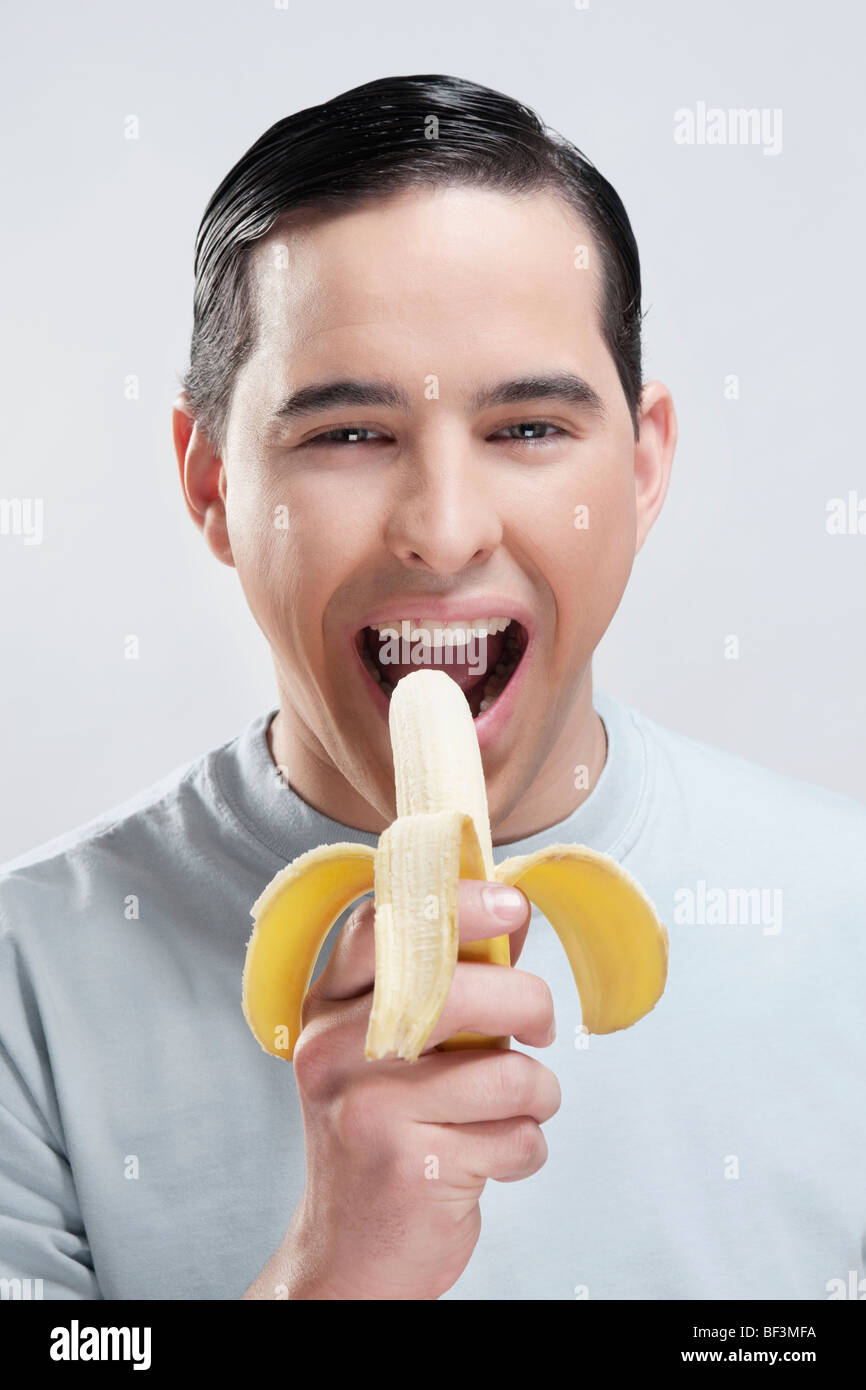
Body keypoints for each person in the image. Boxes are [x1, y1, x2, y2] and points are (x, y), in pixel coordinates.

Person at [1, 73, 864, 1303]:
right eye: (346, 434)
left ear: (643, 465)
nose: (445, 531)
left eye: (525, 430)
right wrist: (332, 1272)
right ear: (208, 485)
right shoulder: (24, 983)